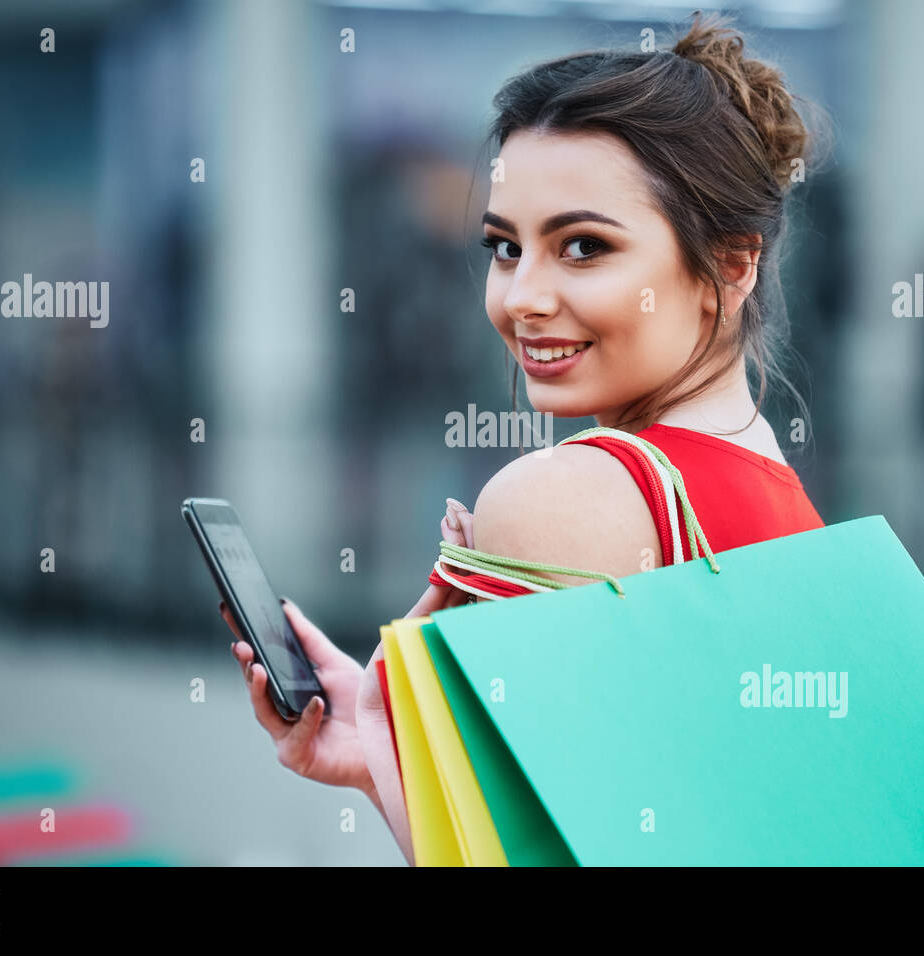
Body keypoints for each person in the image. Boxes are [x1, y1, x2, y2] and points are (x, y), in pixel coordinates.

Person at [222, 12, 827, 865]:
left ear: (731, 266)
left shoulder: (564, 498)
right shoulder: (776, 485)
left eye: (583, 246)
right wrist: (387, 758)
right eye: (505, 248)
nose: (521, 298)